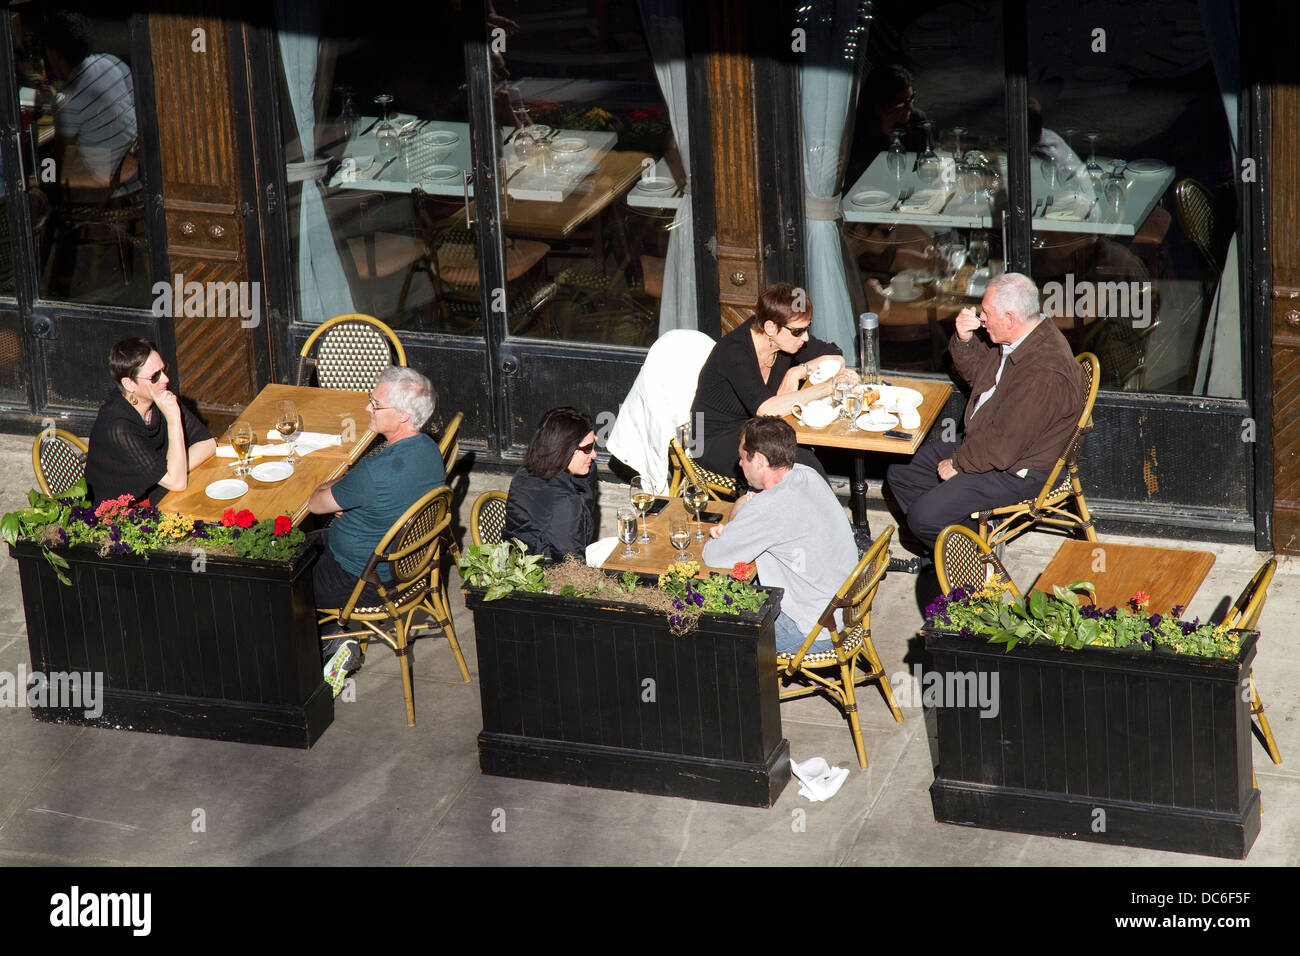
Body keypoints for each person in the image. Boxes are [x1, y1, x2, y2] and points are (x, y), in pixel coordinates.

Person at [885, 272, 1085, 571]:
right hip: (991, 443)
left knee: (924, 518)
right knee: (903, 470)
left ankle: (969, 572)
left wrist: (960, 464)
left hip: (1019, 470)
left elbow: (1005, 447)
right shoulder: (1020, 339)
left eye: (986, 313)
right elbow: (984, 379)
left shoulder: (1044, 372)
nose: (981, 317)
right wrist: (964, 341)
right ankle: (961, 545)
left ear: (1009, 317)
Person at [307, 366, 445, 695]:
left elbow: (314, 503)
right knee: (306, 541)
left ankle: (328, 649)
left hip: (359, 580)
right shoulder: (428, 450)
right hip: (406, 568)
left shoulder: (373, 472)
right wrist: (353, 497)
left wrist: (340, 491)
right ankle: (343, 636)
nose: (368, 407)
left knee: (277, 579)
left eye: (375, 403)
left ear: (401, 415)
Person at [701, 417, 858, 654]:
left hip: (812, 629)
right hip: (845, 611)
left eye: (743, 458)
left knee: (710, 630)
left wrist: (736, 515)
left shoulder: (770, 507)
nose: (740, 464)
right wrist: (747, 507)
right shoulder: (806, 474)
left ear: (760, 461)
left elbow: (714, 556)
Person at [690, 283, 854, 483]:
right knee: (799, 464)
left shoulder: (784, 341)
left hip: (754, 430)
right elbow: (766, 409)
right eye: (798, 331)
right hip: (709, 440)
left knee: (803, 462)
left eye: (807, 329)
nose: (805, 338)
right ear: (770, 327)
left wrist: (796, 372)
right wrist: (828, 387)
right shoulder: (734, 351)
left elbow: (836, 357)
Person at [85, 337, 216, 507]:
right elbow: (177, 483)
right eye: (154, 376)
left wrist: (176, 469)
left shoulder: (159, 396)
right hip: (120, 515)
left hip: (157, 493)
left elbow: (208, 443)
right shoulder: (117, 426)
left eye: (164, 370)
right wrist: (174, 419)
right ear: (129, 384)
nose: (165, 379)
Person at [36, 10, 139, 195]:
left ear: (54, 54)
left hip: (108, 181)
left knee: (41, 170)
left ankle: (53, 218)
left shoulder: (68, 100)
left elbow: (65, 159)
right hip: (134, 164)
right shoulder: (111, 61)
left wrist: (57, 109)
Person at [503, 406, 599, 562]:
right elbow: (571, 566)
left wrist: (586, 473)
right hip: (545, 580)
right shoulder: (566, 502)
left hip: (517, 564)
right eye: (588, 448)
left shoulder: (523, 473)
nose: (594, 454)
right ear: (565, 449)